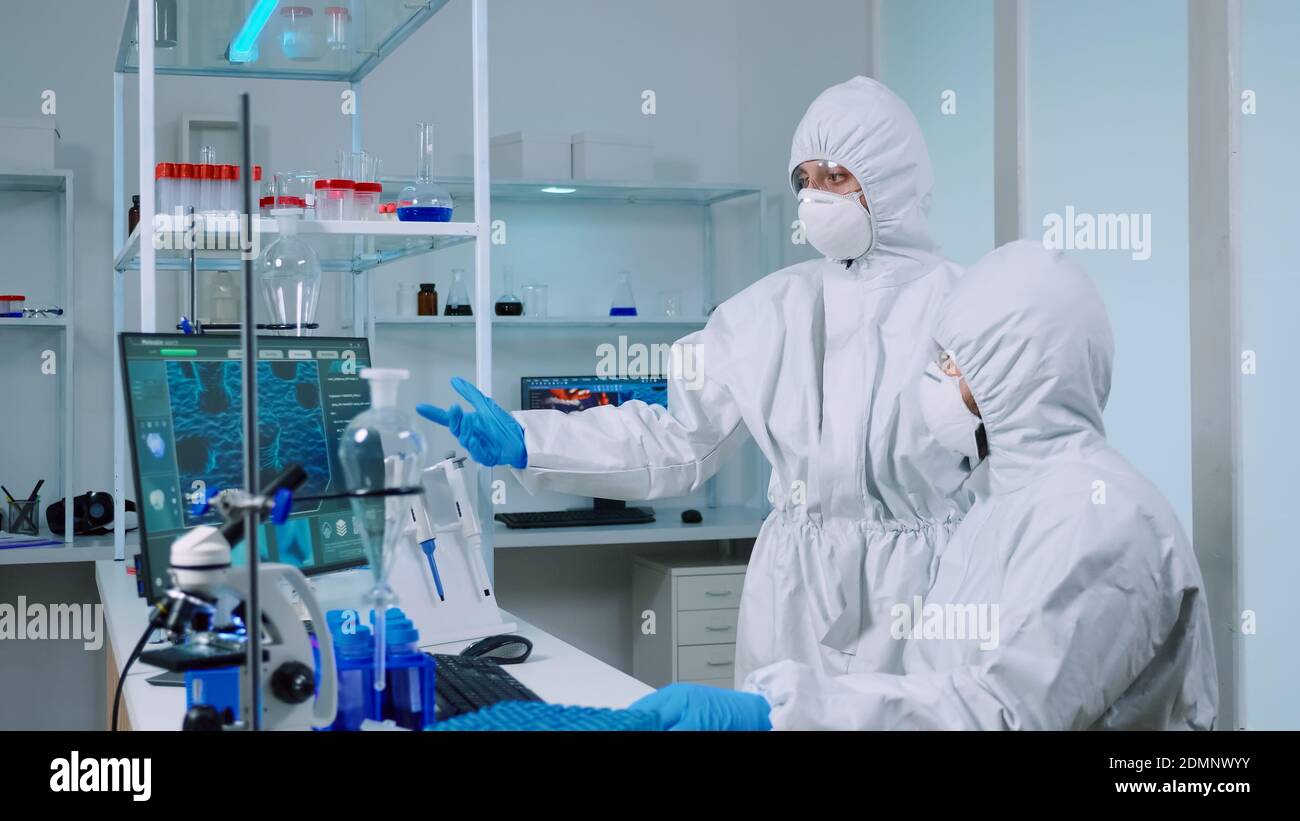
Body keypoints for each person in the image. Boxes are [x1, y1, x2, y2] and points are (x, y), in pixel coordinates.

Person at [419, 77, 969, 686]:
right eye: (804, 181)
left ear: (890, 180)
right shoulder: (769, 310)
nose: (814, 198)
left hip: (927, 589)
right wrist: (531, 439)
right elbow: (676, 434)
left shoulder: (973, 309)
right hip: (795, 591)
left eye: (835, 177)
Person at [632, 241, 1219, 730]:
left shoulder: (1096, 519)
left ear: (1016, 374)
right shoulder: (999, 502)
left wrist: (790, 713)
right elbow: (941, 685)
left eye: (954, 362)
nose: (932, 379)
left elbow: (1004, 713)